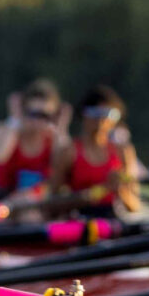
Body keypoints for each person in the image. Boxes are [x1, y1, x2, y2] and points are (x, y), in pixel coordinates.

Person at [54, 85, 140, 213]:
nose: (101, 121)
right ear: (84, 115)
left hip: (111, 221)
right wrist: (82, 198)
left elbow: (135, 207)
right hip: (78, 220)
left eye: (107, 115)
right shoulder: (68, 152)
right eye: (95, 114)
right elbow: (51, 205)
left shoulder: (123, 152)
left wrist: (121, 191)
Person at [0, 79, 70, 199]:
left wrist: (61, 130)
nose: (37, 121)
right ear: (23, 111)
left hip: (40, 203)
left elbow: (65, 171)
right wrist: (14, 119)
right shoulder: (2, 130)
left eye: (44, 116)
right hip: (6, 203)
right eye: (33, 114)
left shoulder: (54, 139)